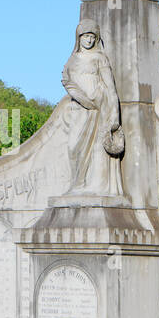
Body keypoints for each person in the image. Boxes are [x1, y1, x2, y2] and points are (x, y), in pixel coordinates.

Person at [61, 17, 125, 197]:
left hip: (99, 108)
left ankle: (93, 185)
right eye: (85, 36)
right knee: (73, 146)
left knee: (96, 148)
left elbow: (111, 88)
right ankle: (77, 183)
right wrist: (78, 96)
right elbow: (66, 80)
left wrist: (114, 115)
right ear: (78, 38)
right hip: (79, 108)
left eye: (91, 37)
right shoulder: (72, 59)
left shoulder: (100, 58)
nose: (88, 40)